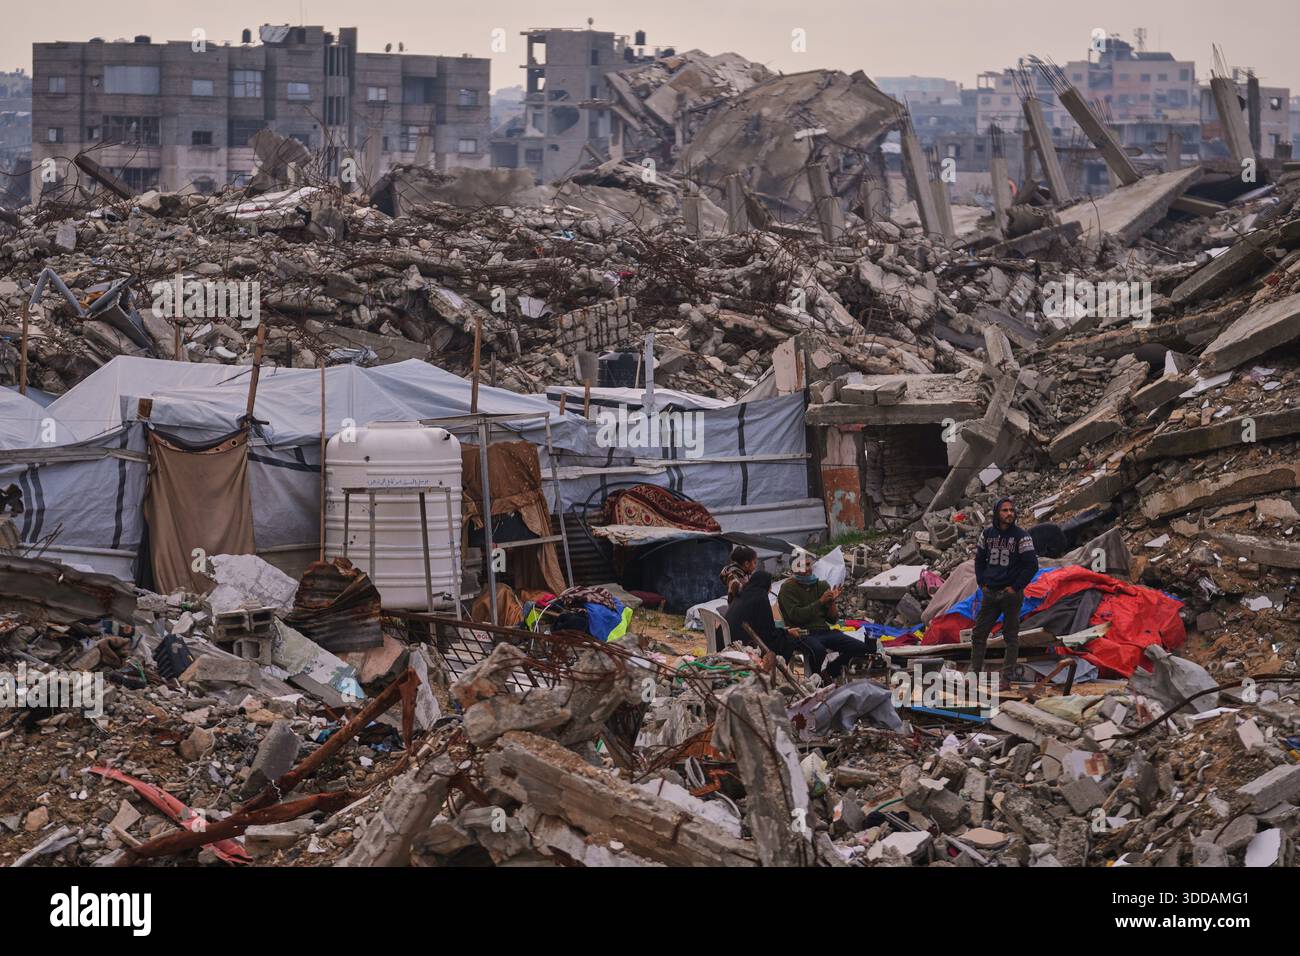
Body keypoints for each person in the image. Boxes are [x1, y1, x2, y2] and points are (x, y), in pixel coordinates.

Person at [971, 496, 1039, 679]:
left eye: (1011, 510)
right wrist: (981, 583)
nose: (1010, 514)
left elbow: (1032, 565)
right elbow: (979, 560)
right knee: (979, 634)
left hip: (1010, 595)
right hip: (990, 592)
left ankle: (1006, 677)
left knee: (1010, 636)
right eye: (1005, 510)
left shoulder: (1022, 536)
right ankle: (974, 674)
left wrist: (1015, 587)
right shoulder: (987, 534)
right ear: (997, 513)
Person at [776, 549, 871, 680]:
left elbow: (832, 620)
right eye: (802, 566)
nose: (807, 569)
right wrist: (820, 602)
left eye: (808, 565)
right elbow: (797, 617)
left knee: (860, 647)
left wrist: (831, 603)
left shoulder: (821, 585)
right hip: (803, 633)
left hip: (824, 631)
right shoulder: (788, 589)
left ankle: (830, 671)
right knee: (818, 651)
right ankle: (816, 680)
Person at [725, 571, 800, 662]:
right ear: (766, 584)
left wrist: (784, 631)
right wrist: (786, 632)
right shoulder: (761, 598)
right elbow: (768, 633)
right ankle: (777, 670)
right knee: (789, 642)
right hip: (744, 644)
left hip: (728, 640)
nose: (771, 588)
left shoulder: (742, 594)